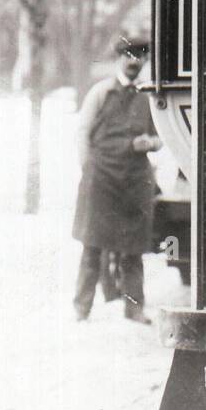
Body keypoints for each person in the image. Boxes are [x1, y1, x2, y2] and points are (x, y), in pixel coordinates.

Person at [71, 34, 163, 323]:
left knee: (133, 249)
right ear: (119, 59)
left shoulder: (149, 96)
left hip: (135, 180)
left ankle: (134, 308)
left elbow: (162, 136)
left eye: (140, 57)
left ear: (146, 61)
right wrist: (89, 171)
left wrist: (151, 143)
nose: (134, 62)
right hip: (101, 179)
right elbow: (83, 133)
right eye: (128, 56)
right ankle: (81, 308)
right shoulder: (102, 92)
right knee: (92, 245)